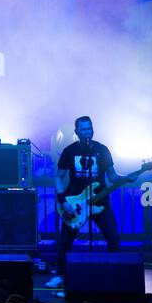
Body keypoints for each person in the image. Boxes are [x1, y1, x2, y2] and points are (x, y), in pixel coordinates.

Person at [52, 115, 124, 293]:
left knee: (113, 237)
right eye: (83, 129)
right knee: (65, 241)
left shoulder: (102, 150)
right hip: (75, 202)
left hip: (100, 201)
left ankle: (116, 274)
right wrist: (63, 200)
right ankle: (60, 275)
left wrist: (128, 178)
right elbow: (58, 177)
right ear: (76, 132)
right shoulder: (69, 151)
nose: (87, 132)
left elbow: (113, 176)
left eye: (89, 128)